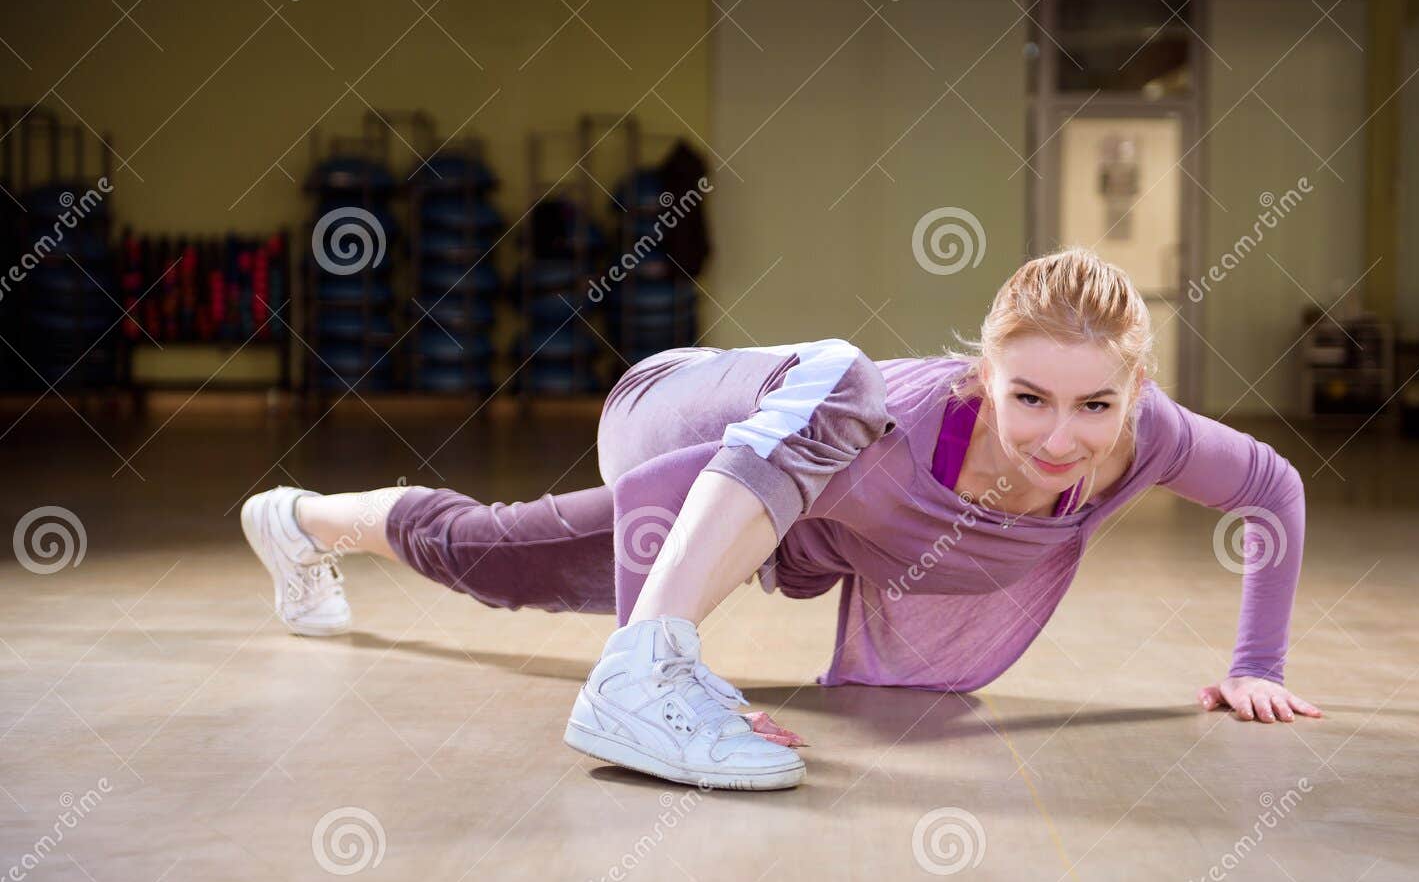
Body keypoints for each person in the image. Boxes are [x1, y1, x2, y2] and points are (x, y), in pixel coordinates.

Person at [241, 246, 1322, 793]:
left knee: (493, 558)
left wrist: (1256, 663)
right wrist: (661, 672)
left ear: (1137, 393)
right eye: (1028, 398)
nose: (1059, 438)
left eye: (1095, 406)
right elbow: (691, 478)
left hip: (776, 517)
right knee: (844, 377)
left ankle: (297, 521)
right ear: (982, 377)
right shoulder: (895, 418)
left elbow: (1272, 489)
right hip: (696, 416)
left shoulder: (1153, 439)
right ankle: (643, 672)